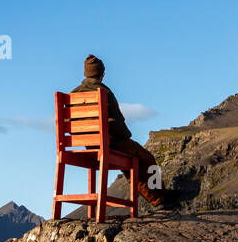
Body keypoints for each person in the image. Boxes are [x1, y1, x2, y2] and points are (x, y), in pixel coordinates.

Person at [71, 54, 168, 210]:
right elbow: (118, 123)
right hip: (109, 143)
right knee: (147, 158)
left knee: (130, 164)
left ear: (86, 73)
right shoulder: (103, 92)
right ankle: (161, 196)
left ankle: (156, 199)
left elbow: (69, 123)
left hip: (87, 147)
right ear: (101, 73)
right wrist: (126, 137)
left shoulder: (72, 95)